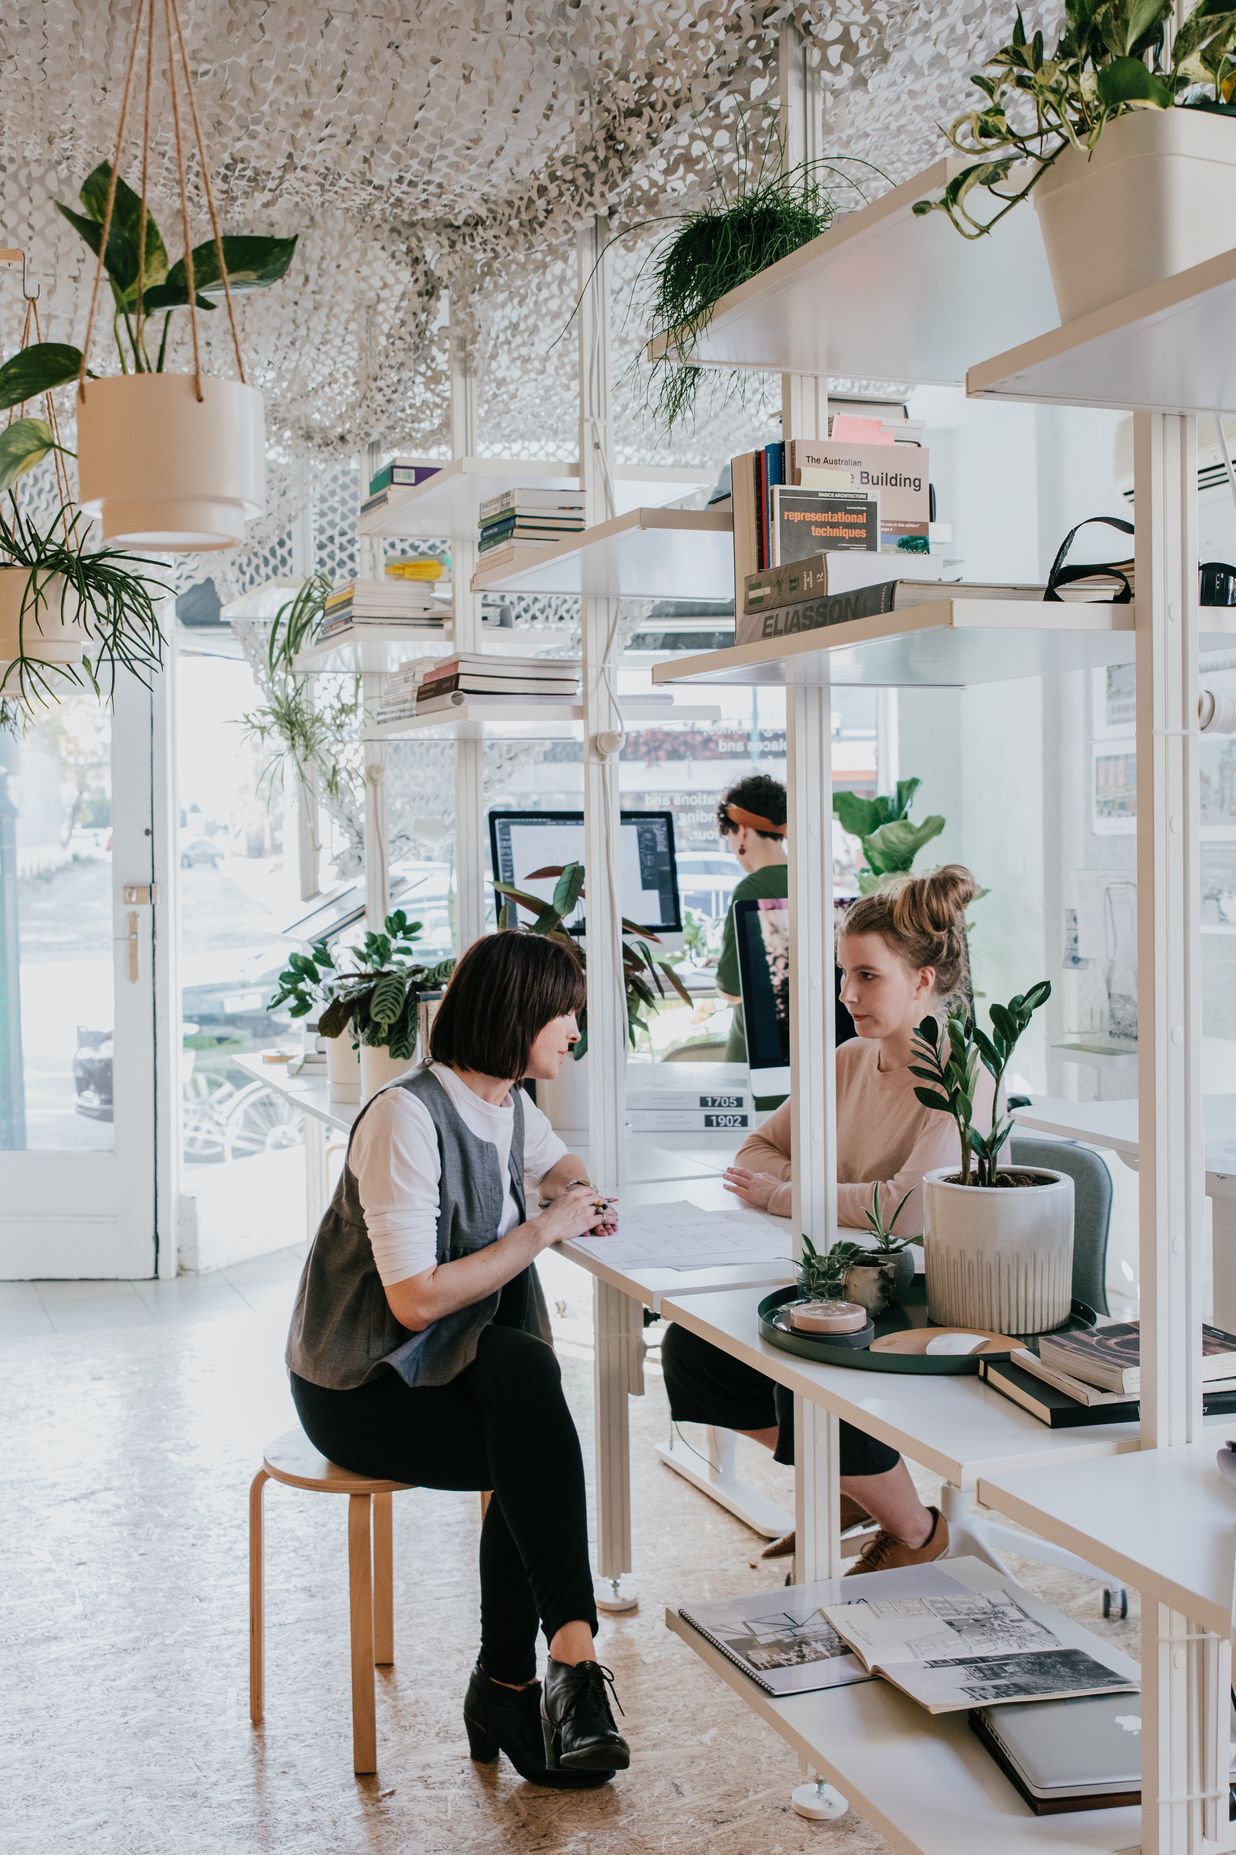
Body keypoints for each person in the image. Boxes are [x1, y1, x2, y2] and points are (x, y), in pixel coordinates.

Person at [285, 931, 630, 1788]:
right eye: (565, 1016)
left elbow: (559, 1163)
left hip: (448, 1365)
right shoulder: (405, 1116)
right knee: (532, 1440)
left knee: (524, 1383)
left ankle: (548, 1673)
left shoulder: (507, 1100)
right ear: (517, 1016)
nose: (573, 1036)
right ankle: (526, 1684)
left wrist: (577, 1193)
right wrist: (546, 1226)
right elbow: (414, 1302)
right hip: (360, 1382)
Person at [662, 864, 987, 1575]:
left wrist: (789, 1194)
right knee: (694, 1349)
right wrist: (815, 1187)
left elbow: (908, 1205)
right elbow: (757, 1148)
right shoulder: (847, 1061)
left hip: (927, 1294)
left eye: (867, 976)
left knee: (800, 1359)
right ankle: (856, 1483)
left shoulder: (961, 1078)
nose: (847, 994)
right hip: (845, 1277)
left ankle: (914, 1529)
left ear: (923, 980)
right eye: (845, 975)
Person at [715, 774, 790, 1062]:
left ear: (742, 831)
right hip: (804, 1053)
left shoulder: (750, 890)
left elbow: (732, 990)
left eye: (731, 838)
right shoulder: (813, 880)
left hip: (754, 1056)